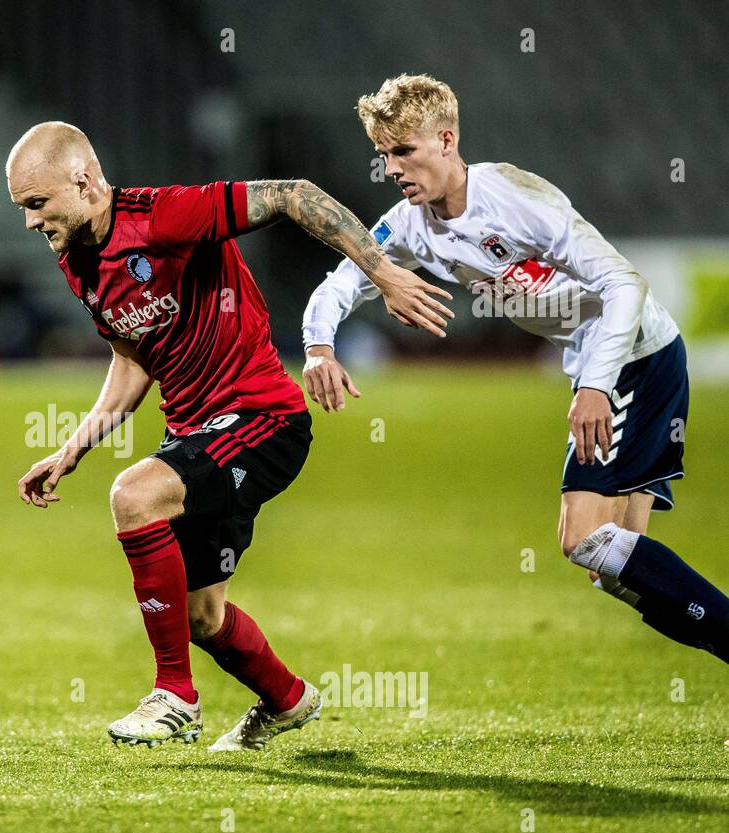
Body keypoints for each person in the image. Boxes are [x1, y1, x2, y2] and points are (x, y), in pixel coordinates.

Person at [8, 121, 454, 748]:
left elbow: (295, 194)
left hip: (262, 419)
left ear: (83, 182)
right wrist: (73, 447)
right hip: (199, 433)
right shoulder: (77, 260)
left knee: (135, 497)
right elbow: (133, 357)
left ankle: (175, 697)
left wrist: (381, 273)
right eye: (22, 209)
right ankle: (289, 700)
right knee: (201, 617)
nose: (30, 222)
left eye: (37, 204)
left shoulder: (166, 218)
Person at [301, 74, 727, 663]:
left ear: (446, 141)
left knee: (581, 539)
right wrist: (319, 347)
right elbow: (341, 282)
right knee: (615, 565)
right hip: (606, 365)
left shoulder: (519, 199)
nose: (392, 168)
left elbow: (624, 282)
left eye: (405, 151)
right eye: (384, 155)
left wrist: (597, 387)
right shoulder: (406, 223)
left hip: (635, 354)